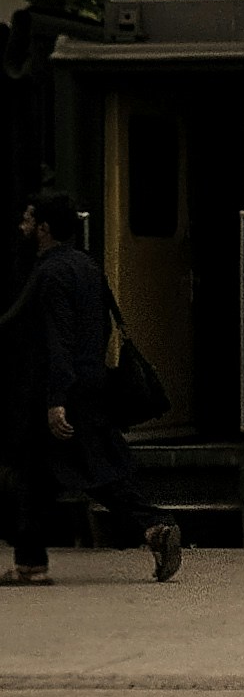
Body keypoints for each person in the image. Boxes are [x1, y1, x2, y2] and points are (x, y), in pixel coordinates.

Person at [3, 189, 182, 585]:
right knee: (60, 473)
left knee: (73, 474)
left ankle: (152, 525)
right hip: (89, 385)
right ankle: (34, 561)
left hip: (62, 393)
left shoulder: (50, 274)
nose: (22, 226)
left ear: (44, 229)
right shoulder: (85, 266)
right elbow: (100, 328)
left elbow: (58, 339)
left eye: (29, 220)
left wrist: (56, 400)